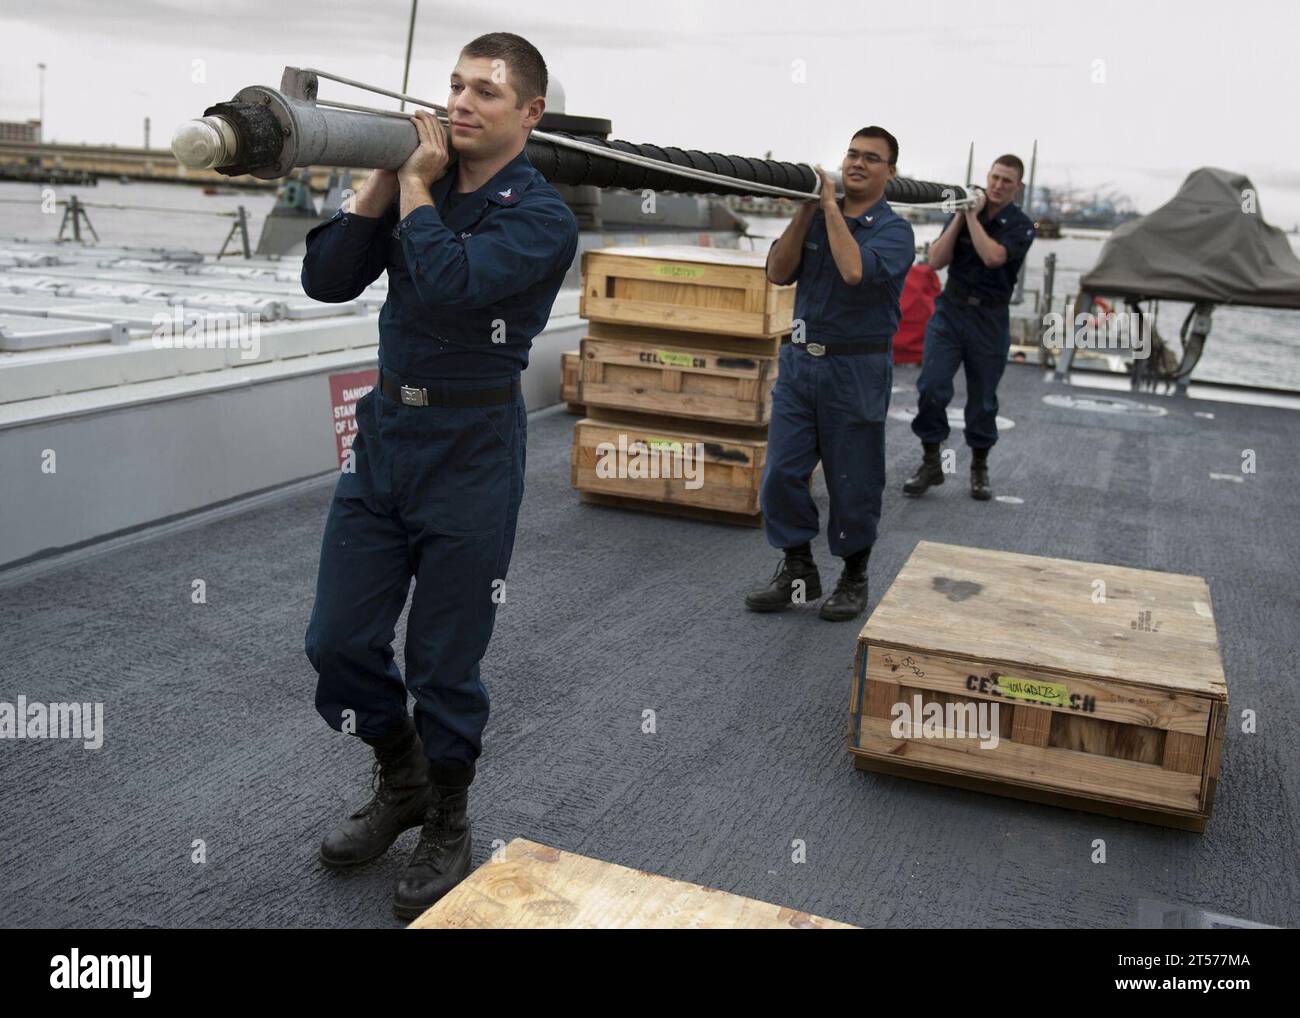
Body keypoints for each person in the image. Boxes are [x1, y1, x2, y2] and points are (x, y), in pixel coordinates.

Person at [300, 32, 578, 920]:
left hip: (473, 445)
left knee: (444, 664)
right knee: (336, 643)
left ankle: (449, 817)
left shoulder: (539, 216)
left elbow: (456, 283)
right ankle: (403, 774)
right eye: (453, 86)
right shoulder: (412, 186)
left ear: (528, 113)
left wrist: (414, 190)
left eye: (485, 93)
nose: (460, 103)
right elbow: (326, 280)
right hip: (388, 438)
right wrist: (380, 184)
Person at [744, 127, 916, 622]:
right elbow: (777, 271)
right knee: (781, 472)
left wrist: (830, 208)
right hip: (801, 364)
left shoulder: (894, 231)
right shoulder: (817, 217)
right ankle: (798, 568)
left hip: (855, 369)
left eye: (872, 158)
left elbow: (855, 270)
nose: (858, 164)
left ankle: (853, 575)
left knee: (853, 479)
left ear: (890, 172)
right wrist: (805, 208)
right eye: (852, 154)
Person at [903, 155, 1035, 500]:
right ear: (986, 177)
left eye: (1007, 181)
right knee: (931, 386)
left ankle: (978, 467)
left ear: (1018, 187)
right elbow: (935, 261)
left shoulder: (1021, 225)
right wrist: (961, 214)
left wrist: (972, 217)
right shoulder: (962, 213)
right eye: (994, 177)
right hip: (951, 311)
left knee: (982, 400)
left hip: (989, 319)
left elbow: (993, 257)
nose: (997, 185)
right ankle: (932, 461)